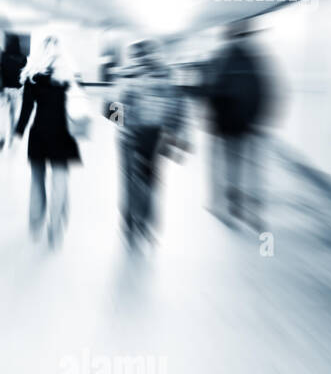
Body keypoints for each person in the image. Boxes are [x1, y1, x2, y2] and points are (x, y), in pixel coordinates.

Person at [111, 39, 189, 249]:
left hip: (129, 136)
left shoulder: (126, 74)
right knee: (151, 180)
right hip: (155, 136)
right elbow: (178, 108)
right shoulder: (167, 74)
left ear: (134, 55)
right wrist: (176, 135)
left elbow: (111, 108)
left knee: (128, 180)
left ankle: (129, 224)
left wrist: (123, 126)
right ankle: (146, 223)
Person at [203, 21, 274, 227]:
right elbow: (264, 91)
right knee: (250, 166)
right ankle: (251, 212)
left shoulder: (219, 58)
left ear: (227, 37)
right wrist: (258, 120)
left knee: (223, 165)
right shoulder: (255, 60)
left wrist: (212, 118)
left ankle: (223, 207)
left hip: (224, 124)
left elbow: (211, 91)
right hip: (248, 124)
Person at [15, 35, 82, 247]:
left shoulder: (33, 77)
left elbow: (26, 109)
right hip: (63, 134)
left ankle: (35, 222)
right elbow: (83, 104)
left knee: (37, 180)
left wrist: (17, 132)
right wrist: (118, 118)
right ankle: (54, 229)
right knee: (60, 181)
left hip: (39, 134)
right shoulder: (69, 76)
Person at [0, 34, 27, 151]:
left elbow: (0, 70)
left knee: (3, 115)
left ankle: (1, 138)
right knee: (13, 115)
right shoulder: (22, 58)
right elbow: (24, 76)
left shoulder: (3, 56)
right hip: (16, 90)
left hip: (5, 89)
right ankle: (12, 136)